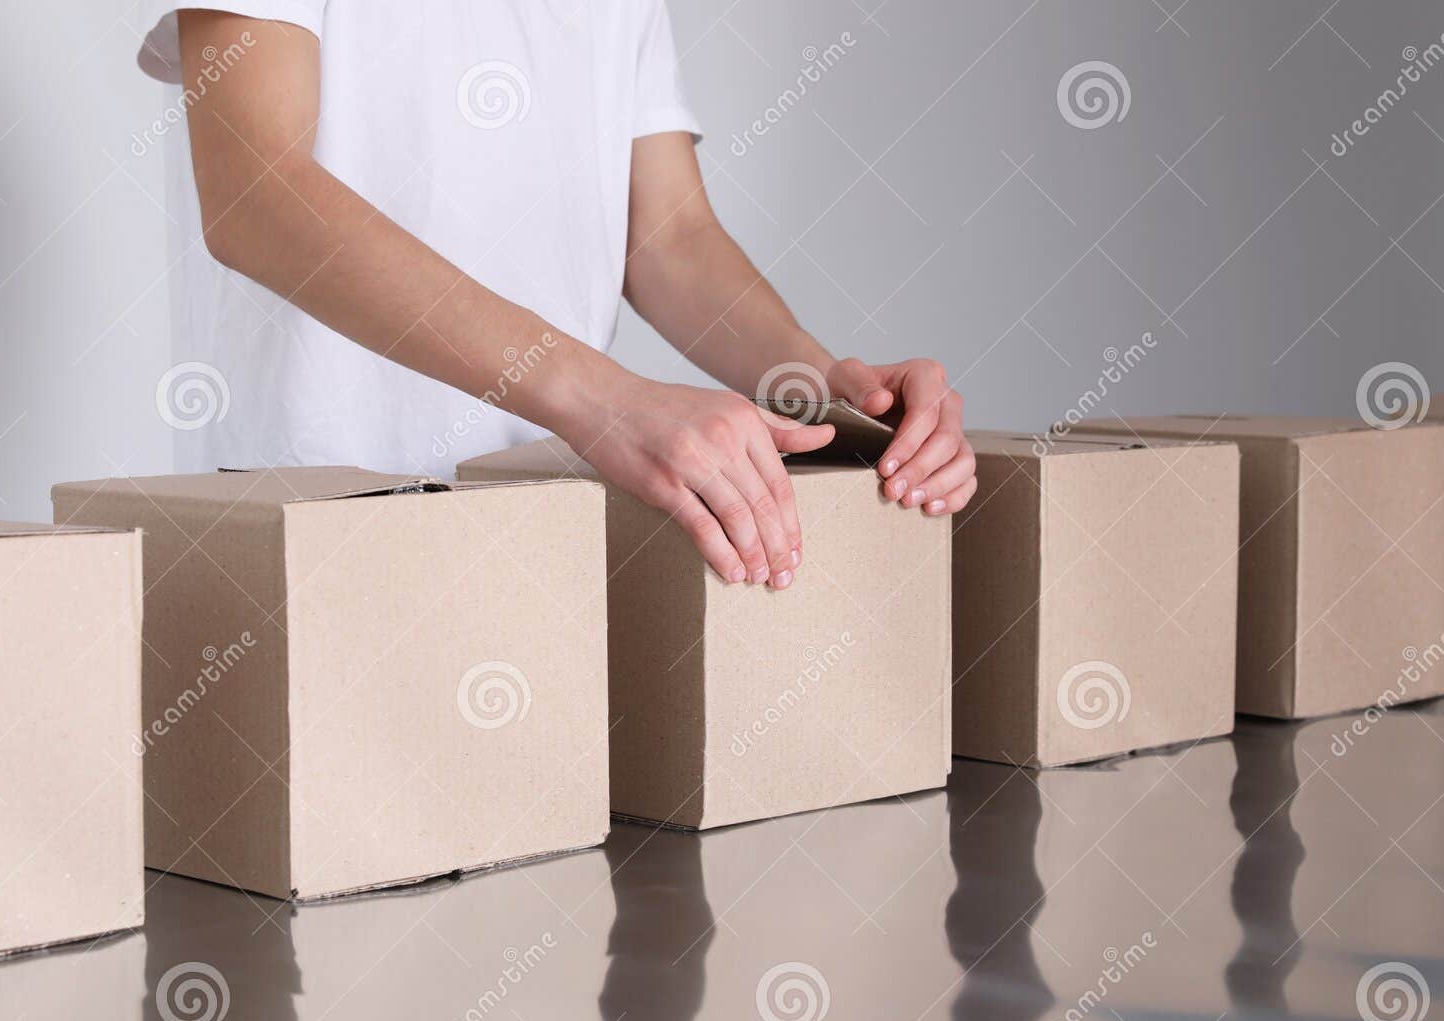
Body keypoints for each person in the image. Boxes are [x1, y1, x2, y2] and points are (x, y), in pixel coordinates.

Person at [136, 2, 974, 591]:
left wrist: (833, 393)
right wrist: (606, 402)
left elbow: (668, 241)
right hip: (309, 515)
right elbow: (253, 193)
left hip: (541, 518)